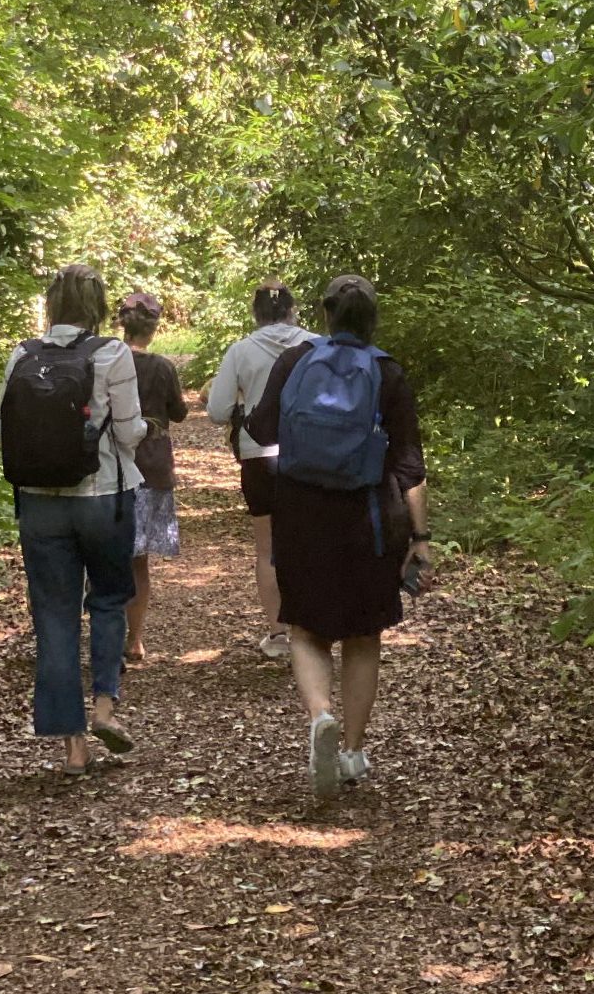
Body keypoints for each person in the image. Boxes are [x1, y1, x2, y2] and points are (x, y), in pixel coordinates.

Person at [246, 274, 432, 799]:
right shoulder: (387, 371)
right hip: (371, 518)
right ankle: (351, 751)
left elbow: (262, 431)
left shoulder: (295, 361)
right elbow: (410, 466)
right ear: (373, 318)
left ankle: (320, 715)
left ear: (326, 315)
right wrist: (420, 536)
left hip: (302, 512)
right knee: (363, 635)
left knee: (306, 628)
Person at [0, 263, 146, 778]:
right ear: (98, 306)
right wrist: (144, 427)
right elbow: (128, 435)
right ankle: (105, 707)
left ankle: (74, 748)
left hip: (39, 502)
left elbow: (2, 430)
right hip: (104, 497)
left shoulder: (22, 354)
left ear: (51, 305)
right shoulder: (112, 352)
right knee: (107, 600)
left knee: (54, 617)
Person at [206, 282, 306, 660]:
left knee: (267, 549)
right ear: (293, 311)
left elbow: (216, 411)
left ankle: (278, 634)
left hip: (259, 454)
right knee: (307, 540)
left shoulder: (241, 351)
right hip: (308, 453)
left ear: (255, 314)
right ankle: (310, 627)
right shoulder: (314, 345)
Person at [116, 289, 187, 664]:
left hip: (112, 466)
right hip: (152, 466)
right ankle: (135, 639)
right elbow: (178, 413)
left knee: (108, 554)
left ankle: (106, 630)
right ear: (154, 329)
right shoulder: (162, 367)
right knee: (139, 560)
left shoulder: (107, 360)